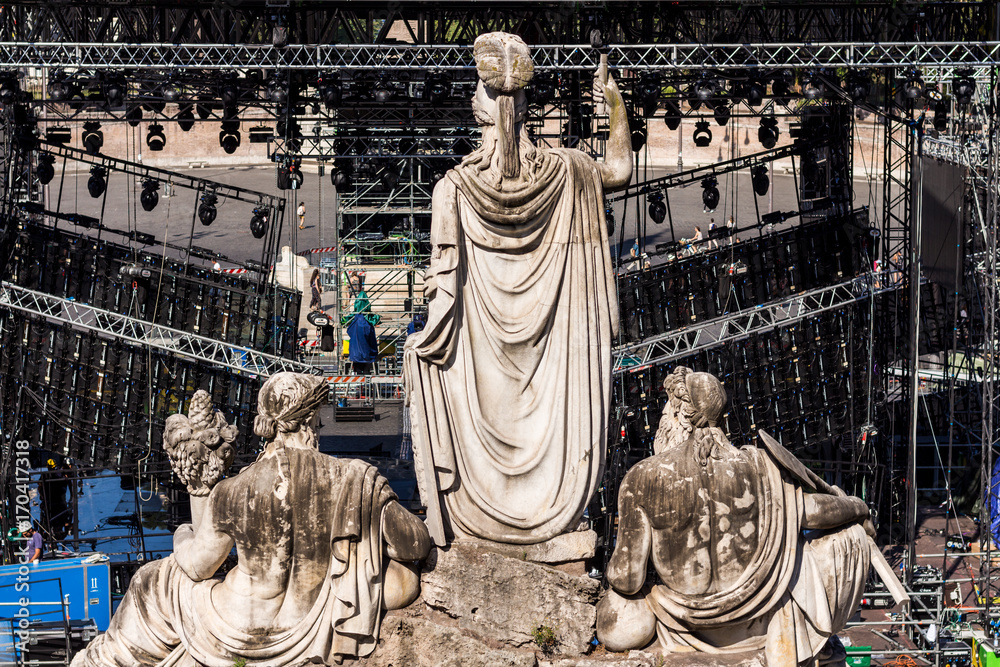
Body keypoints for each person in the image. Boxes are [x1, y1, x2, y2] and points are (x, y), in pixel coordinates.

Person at [403, 31, 631, 546]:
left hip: (477, 382)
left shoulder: (452, 190)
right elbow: (618, 168)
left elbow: (443, 305)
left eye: (474, 92)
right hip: (554, 385)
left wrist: (420, 346)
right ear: (524, 106)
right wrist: (615, 107)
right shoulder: (568, 173)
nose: (468, 98)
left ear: (482, 108)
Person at [72, 374, 431, 667]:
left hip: (238, 625)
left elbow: (199, 567)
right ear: (308, 421)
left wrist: (182, 534)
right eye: (319, 417)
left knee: (151, 581)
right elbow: (415, 542)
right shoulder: (354, 479)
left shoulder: (233, 490)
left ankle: (100, 662)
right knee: (402, 580)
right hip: (318, 619)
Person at [597, 367, 872, 667]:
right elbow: (815, 512)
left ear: (680, 413)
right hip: (754, 625)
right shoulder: (760, 467)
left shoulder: (643, 478)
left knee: (618, 618)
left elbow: (626, 579)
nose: (662, 417)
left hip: (681, 626)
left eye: (666, 408)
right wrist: (858, 506)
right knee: (844, 538)